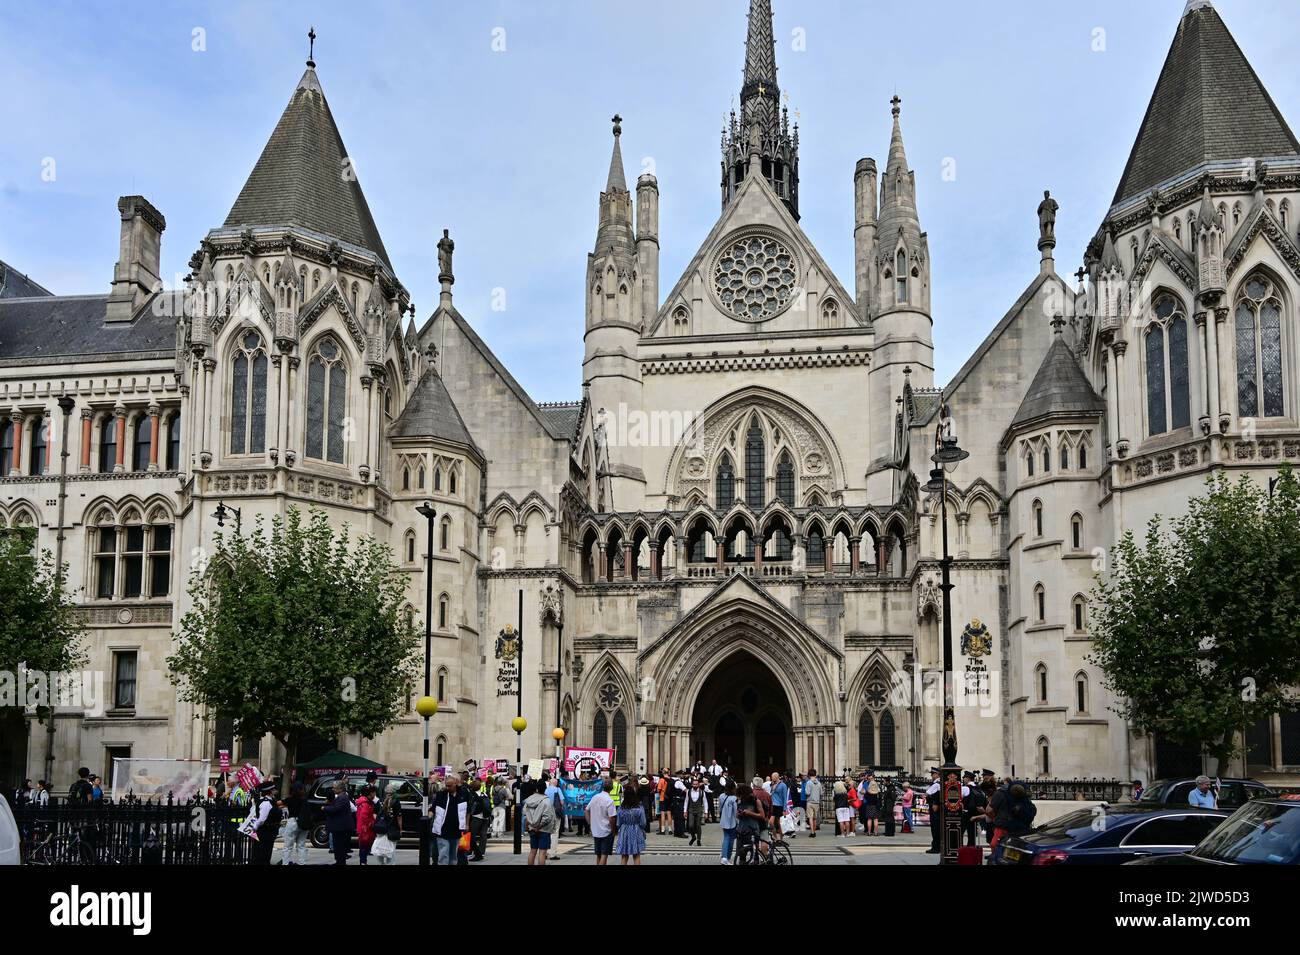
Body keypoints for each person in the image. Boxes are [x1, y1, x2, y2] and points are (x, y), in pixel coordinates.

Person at [986, 778, 1036, 864]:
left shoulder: (1001, 793)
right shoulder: (1025, 797)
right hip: (1021, 831)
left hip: (1003, 829)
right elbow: (1031, 813)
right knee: (1018, 854)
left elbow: (989, 811)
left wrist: (996, 819)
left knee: (998, 851)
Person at [431, 772, 469, 866]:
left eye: (450, 786)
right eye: (446, 786)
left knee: (453, 856)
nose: (447, 788)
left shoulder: (463, 794)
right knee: (443, 854)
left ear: (455, 784)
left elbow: (468, 810)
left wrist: (467, 824)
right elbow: (433, 809)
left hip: (456, 830)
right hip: (442, 830)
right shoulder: (441, 795)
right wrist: (429, 818)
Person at [523, 781, 557, 865]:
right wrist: (539, 826)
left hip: (532, 828)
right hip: (544, 829)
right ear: (545, 789)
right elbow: (547, 817)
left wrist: (529, 824)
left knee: (533, 851)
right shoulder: (547, 801)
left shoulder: (529, 799)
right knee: (542, 853)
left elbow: (525, 813)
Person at [586, 778, 618, 864]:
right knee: (604, 854)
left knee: (599, 854)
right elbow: (612, 818)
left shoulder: (595, 797)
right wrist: (613, 830)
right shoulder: (610, 801)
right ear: (611, 788)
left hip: (596, 830)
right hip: (606, 831)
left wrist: (590, 823)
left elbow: (586, 810)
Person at [322, 780, 353, 865]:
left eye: (334, 788)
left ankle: (341, 862)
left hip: (341, 827)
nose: (333, 789)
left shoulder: (342, 797)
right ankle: (339, 861)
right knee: (338, 845)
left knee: (340, 846)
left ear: (340, 789)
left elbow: (336, 808)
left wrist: (324, 808)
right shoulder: (340, 797)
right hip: (339, 826)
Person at [734, 784, 767, 861]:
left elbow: (762, 815)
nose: (740, 797)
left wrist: (749, 813)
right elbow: (736, 815)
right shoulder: (739, 801)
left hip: (753, 831)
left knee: (755, 854)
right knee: (741, 855)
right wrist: (739, 814)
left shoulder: (756, 801)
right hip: (741, 831)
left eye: (742, 795)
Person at [616, 781, 646, 864]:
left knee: (624, 855)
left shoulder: (621, 808)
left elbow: (618, 823)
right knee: (636, 855)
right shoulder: (639, 807)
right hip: (636, 830)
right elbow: (643, 822)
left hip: (624, 830)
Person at [281, 782, 310, 865]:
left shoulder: (290, 799)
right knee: (301, 845)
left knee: (288, 847)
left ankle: (285, 863)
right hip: (304, 823)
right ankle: (302, 863)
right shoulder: (305, 800)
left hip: (292, 822)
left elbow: (279, 804)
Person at [468, 779, 492, 861]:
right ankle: (482, 851)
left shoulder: (473, 795)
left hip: (476, 817)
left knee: (472, 836)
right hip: (485, 817)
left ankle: (471, 851)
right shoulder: (484, 794)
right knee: (483, 835)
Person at [717, 778, 738, 863]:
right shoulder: (734, 798)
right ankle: (727, 857)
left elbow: (720, 808)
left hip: (724, 819)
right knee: (731, 839)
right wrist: (738, 822)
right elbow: (736, 811)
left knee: (726, 838)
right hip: (732, 820)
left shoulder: (722, 796)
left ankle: (724, 857)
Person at [355, 784, 376, 864]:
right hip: (365, 830)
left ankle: (363, 862)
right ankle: (363, 862)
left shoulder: (365, 802)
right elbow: (365, 818)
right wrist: (373, 822)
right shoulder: (366, 804)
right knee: (364, 848)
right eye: (374, 792)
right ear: (370, 793)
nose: (375, 794)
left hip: (363, 829)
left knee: (364, 847)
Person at [924, 767, 942, 853]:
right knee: (936, 828)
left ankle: (936, 847)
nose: (931, 775)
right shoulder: (938, 783)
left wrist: (935, 803)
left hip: (935, 808)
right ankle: (936, 846)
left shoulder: (936, 784)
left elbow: (928, 793)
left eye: (933, 774)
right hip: (936, 808)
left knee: (935, 828)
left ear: (937, 774)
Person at [686, 775, 707, 846]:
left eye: (696, 784)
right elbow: (686, 801)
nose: (695, 785)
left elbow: (705, 802)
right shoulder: (688, 791)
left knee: (698, 825)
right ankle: (693, 837)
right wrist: (685, 811)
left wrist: (706, 812)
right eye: (694, 784)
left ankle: (698, 839)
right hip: (691, 809)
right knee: (690, 825)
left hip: (699, 810)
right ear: (692, 784)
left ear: (698, 785)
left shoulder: (702, 792)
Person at [804, 770, 822, 837]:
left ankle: (812, 832)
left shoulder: (808, 783)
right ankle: (814, 831)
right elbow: (821, 793)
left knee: (810, 817)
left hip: (810, 802)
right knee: (814, 818)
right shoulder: (819, 783)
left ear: (809, 775)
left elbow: (807, 793)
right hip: (816, 802)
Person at [657, 770, 671, 834]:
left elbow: (658, 789)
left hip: (662, 798)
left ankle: (663, 830)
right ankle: (670, 829)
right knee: (669, 813)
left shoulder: (661, 780)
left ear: (663, 773)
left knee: (662, 814)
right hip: (669, 798)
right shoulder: (670, 779)